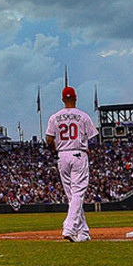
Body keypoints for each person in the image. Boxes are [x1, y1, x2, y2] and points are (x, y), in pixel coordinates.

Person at [45, 86, 99, 242]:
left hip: (62, 155)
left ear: (62, 99)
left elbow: (49, 139)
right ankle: (69, 228)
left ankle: (84, 232)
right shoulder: (82, 116)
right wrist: (88, 149)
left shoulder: (54, 117)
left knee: (72, 196)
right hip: (78, 153)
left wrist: (56, 150)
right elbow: (94, 137)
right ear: (76, 98)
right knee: (77, 194)